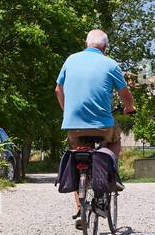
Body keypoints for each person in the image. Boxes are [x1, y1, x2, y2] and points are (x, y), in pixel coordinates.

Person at [55, 30, 135, 216]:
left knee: (76, 157)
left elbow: (58, 89)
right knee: (114, 140)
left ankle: (79, 208)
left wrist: (67, 112)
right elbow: (125, 94)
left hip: (73, 124)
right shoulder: (110, 64)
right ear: (105, 47)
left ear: (86, 43)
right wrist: (129, 107)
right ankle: (111, 174)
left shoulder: (70, 60)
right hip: (102, 125)